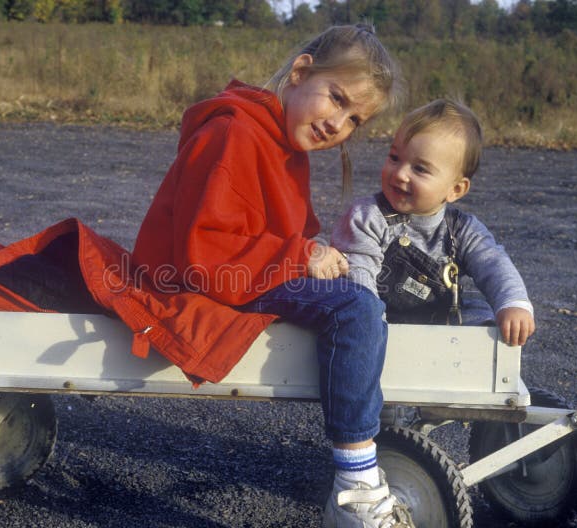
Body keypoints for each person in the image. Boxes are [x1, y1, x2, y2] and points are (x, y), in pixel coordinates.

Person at [132, 24, 415, 528]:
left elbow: (285, 230)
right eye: (336, 98)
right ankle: (355, 485)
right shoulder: (233, 133)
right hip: (199, 277)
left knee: (368, 287)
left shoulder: (282, 143)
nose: (338, 124)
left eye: (354, 120)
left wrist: (313, 251)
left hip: (248, 270)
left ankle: (381, 417)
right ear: (301, 72)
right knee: (356, 308)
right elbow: (205, 250)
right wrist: (301, 255)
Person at [331, 98, 535, 347]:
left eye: (420, 169)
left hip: (438, 333)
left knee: (482, 315)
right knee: (348, 304)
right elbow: (358, 274)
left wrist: (514, 303)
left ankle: (476, 371)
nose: (400, 173)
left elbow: (494, 263)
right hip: (371, 329)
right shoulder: (367, 216)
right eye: (395, 157)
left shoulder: (462, 230)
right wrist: (373, 326)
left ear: (456, 189)